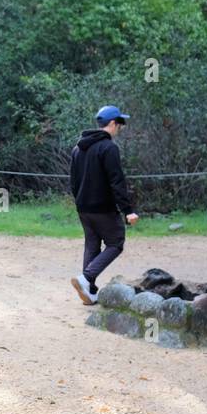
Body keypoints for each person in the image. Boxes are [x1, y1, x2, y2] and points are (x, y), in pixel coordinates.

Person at [69, 105, 139, 305]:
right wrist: (128, 210)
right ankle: (87, 278)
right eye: (119, 123)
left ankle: (89, 292)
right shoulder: (109, 148)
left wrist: (80, 200)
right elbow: (116, 181)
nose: (120, 128)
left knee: (92, 244)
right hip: (103, 208)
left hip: (83, 207)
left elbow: (73, 181)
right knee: (116, 243)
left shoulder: (77, 148)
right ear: (112, 123)